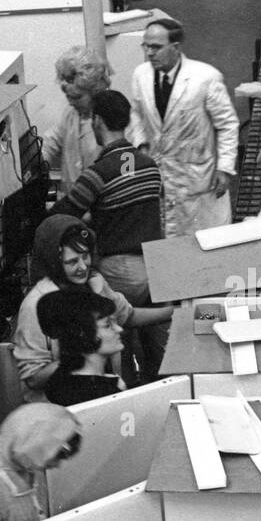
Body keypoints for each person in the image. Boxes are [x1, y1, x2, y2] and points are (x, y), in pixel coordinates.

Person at [54, 88, 167, 380]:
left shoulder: (98, 173)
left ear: (97, 121)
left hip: (119, 269)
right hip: (155, 266)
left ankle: (128, 396)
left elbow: (62, 218)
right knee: (157, 346)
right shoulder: (150, 166)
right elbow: (138, 206)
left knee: (119, 344)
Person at [12, 216, 171, 399]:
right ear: (54, 262)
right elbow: (33, 379)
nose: (82, 267)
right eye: (72, 262)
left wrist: (180, 312)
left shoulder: (95, 283)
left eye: (85, 256)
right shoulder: (35, 305)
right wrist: (82, 353)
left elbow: (127, 315)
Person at [129, 18, 239, 237]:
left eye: (156, 47)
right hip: (161, 172)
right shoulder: (140, 75)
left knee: (206, 241)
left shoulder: (205, 78)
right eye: (146, 46)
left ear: (176, 48)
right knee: (168, 241)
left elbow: (227, 125)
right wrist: (140, 145)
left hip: (198, 176)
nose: (149, 53)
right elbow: (136, 114)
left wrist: (224, 168)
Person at [36, 290, 127, 407]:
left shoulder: (62, 378)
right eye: (107, 325)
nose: (119, 329)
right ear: (82, 334)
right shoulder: (96, 393)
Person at [44, 47, 111, 189]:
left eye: (77, 97)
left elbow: (127, 170)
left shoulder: (113, 119)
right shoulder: (71, 114)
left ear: (95, 91)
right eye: (68, 96)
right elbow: (52, 140)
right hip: (74, 201)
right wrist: (39, 162)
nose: (71, 102)